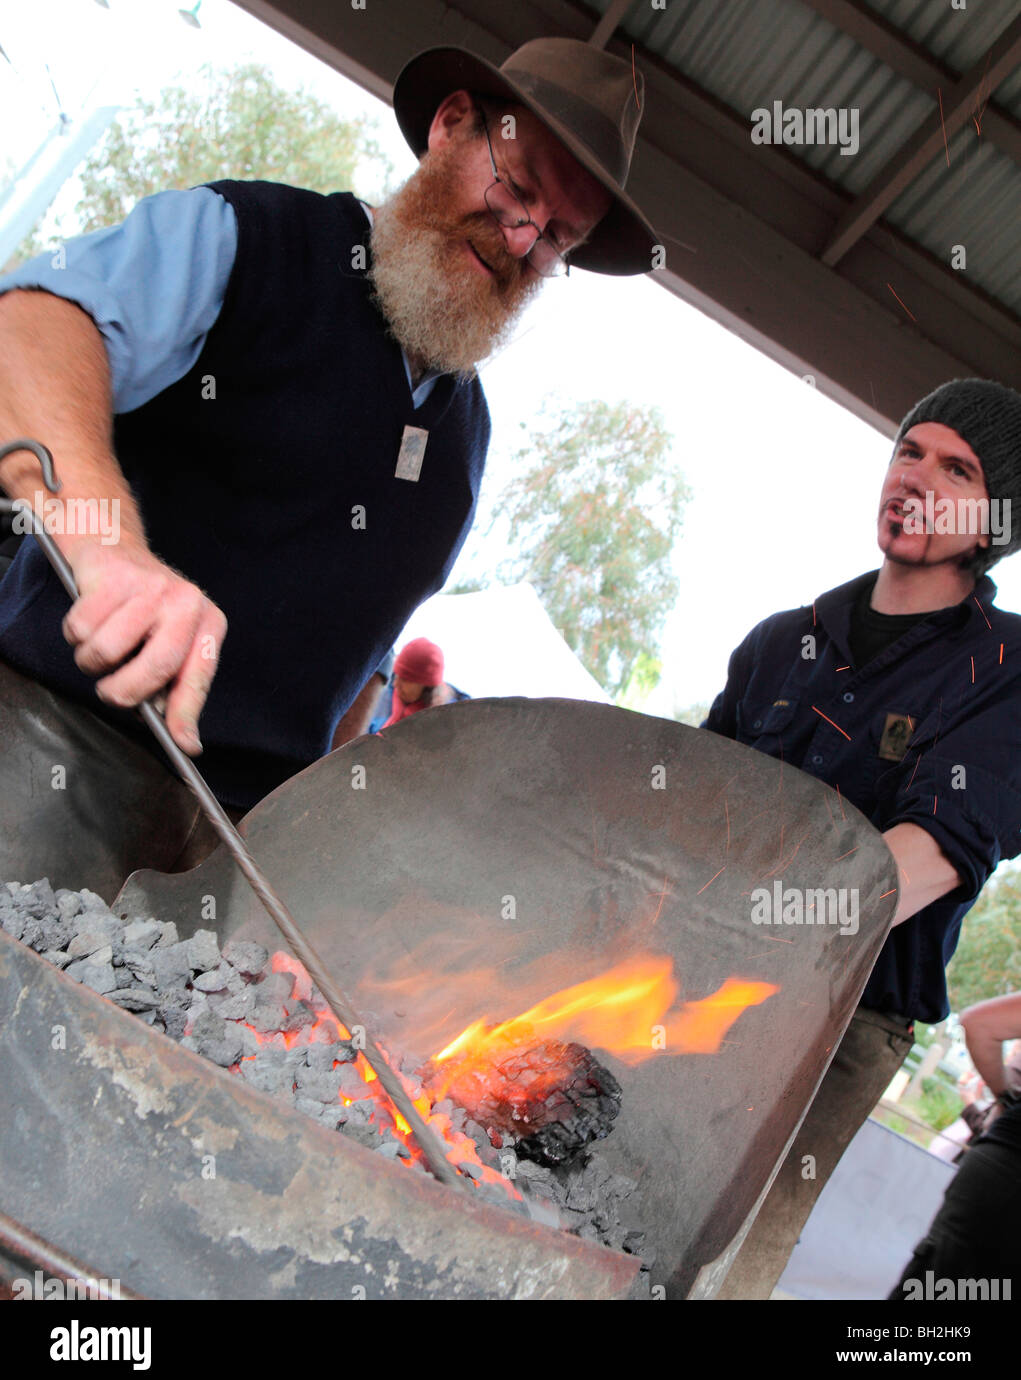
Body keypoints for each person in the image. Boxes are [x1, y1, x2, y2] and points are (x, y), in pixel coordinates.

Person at [0, 38, 657, 884]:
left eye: (556, 234)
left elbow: (360, 672)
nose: (519, 235)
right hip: (40, 753)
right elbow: (31, 328)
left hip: (229, 857)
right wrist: (110, 552)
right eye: (516, 186)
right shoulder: (251, 241)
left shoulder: (466, 444)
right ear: (451, 126)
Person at [705, 378, 1021, 1298]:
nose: (917, 476)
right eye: (909, 452)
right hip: (690, 967)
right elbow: (682, 816)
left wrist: (751, 926)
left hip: (839, 1019)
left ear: (994, 518)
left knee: (722, 1256)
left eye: (956, 469)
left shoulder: (1004, 673)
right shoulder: (779, 643)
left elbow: (927, 857)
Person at [890, 992, 1021, 1290]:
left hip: (1003, 1167)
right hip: (1006, 1171)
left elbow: (980, 1024)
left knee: (941, 1283)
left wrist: (1007, 1096)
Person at [380, 636, 466, 728]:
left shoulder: (446, 723)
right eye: (397, 675)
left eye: (405, 680)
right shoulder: (382, 698)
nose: (395, 684)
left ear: (427, 687)